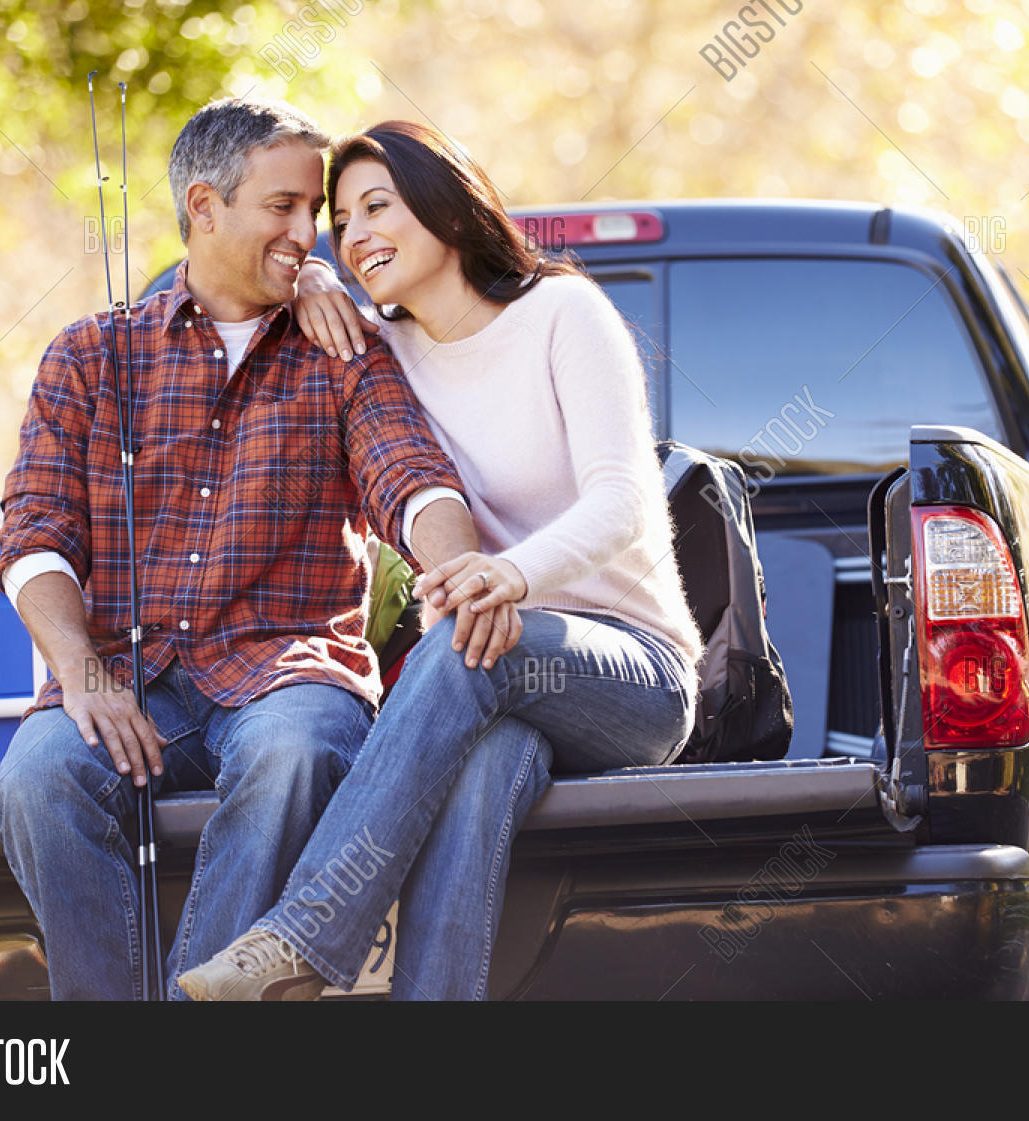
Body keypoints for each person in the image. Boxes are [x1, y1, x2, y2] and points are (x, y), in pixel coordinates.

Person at [0, 99, 512, 1001]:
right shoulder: (86, 355)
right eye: (286, 208)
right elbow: (36, 533)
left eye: (316, 211)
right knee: (33, 778)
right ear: (204, 206)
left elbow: (410, 478)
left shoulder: (342, 349)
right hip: (122, 675)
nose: (311, 234)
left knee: (296, 751)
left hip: (287, 673)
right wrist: (77, 666)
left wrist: (458, 568)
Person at [179, 121, 703, 1001]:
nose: (355, 235)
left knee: (460, 643)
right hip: (491, 658)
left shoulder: (562, 314)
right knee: (485, 767)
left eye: (377, 206)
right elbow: (287, 283)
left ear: (448, 207)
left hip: (629, 671)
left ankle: (307, 935)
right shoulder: (384, 353)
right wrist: (307, 273)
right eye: (340, 222)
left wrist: (511, 574)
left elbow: (624, 503)